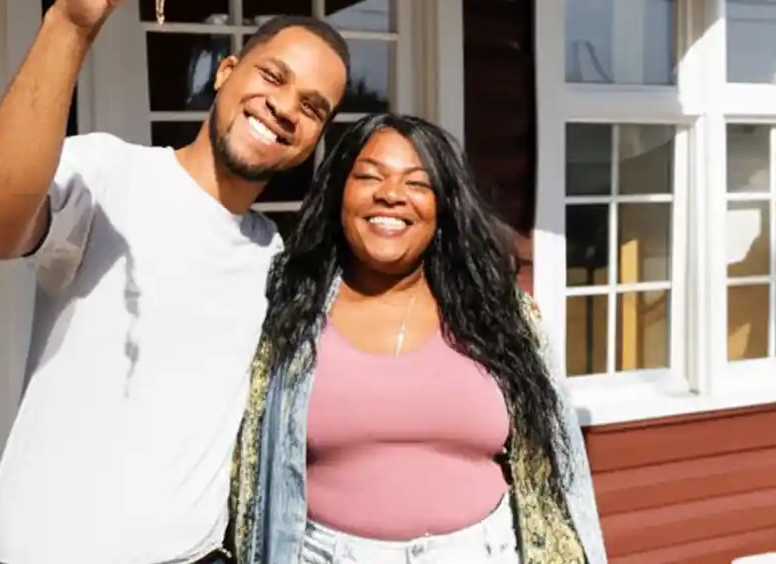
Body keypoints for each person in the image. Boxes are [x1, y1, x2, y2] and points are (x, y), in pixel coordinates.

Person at [0, 0, 350, 564]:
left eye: (311, 107)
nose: (284, 107)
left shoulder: (276, 260)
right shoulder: (111, 174)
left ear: (313, 140)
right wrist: (73, 22)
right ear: (227, 72)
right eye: (273, 76)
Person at [226, 113, 609, 563]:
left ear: (443, 207)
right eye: (369, 176)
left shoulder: (502, 315)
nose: (390, 195)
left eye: (417, 183)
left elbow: (556, 468)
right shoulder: (284, 310)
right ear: (338, 195)